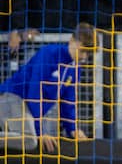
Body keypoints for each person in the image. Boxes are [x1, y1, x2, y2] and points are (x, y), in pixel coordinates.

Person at [0, 22, 93, 152]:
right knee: (30, 140)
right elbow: (34, 91)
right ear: (72, 40)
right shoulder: (49, 54)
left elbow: (68, 101)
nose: (84, 57)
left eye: (88, 53)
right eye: (82, 50)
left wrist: (72, 129)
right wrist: (40, 131)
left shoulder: (75, 69)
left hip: (25, 108)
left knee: (27, 141)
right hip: (11, 98)